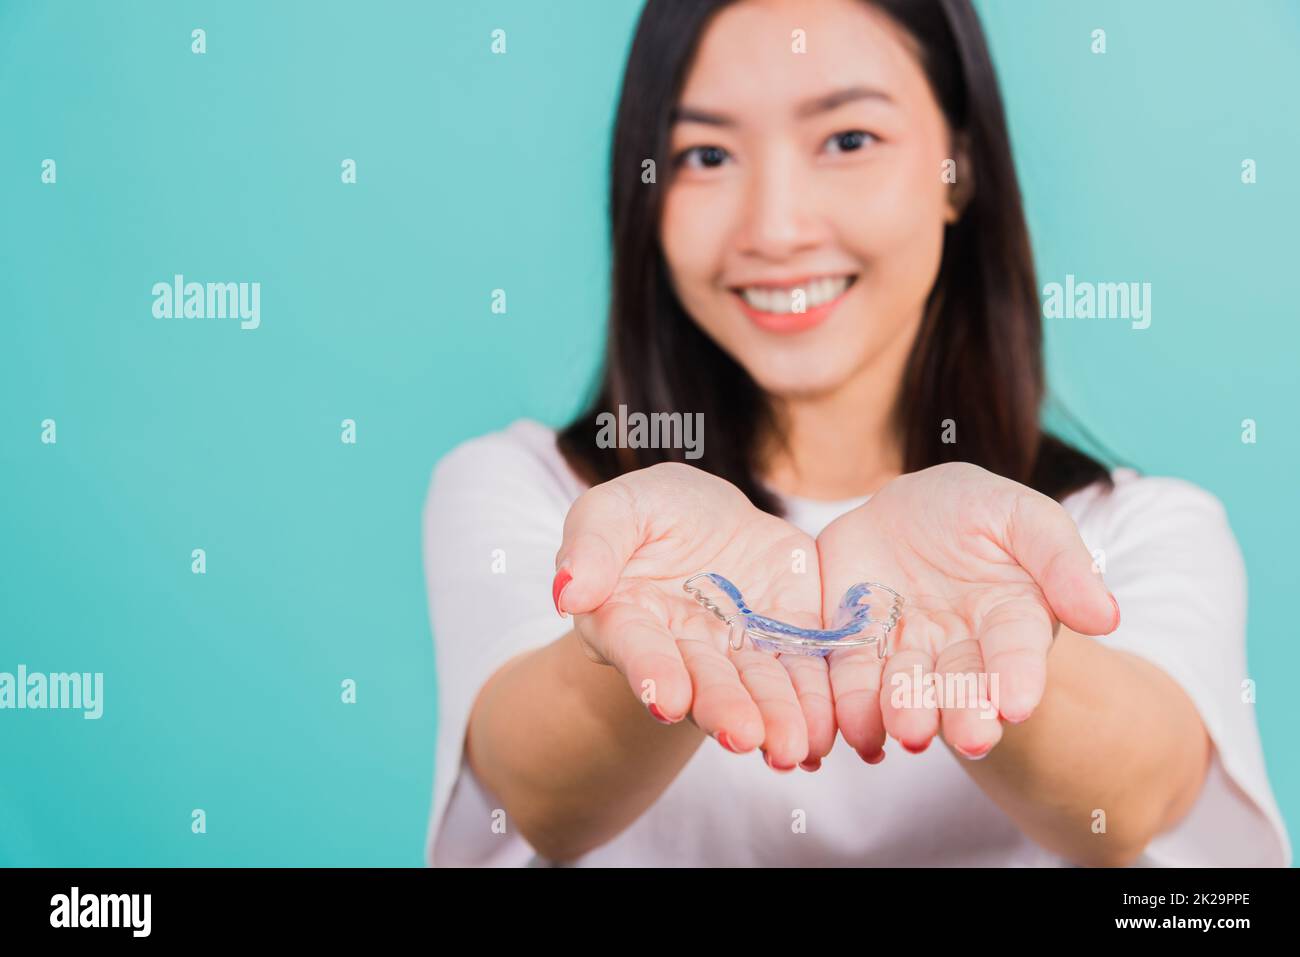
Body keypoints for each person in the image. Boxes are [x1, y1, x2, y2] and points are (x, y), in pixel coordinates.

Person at [421, 0, 1290, 867]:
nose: (776, 228)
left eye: (847, 140)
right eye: (707, 154)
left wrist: (994, 630)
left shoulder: (1136, 530)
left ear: (960, 167)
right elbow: (537, 798)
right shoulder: (535, 497)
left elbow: (1133, 802)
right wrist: (635, 627)